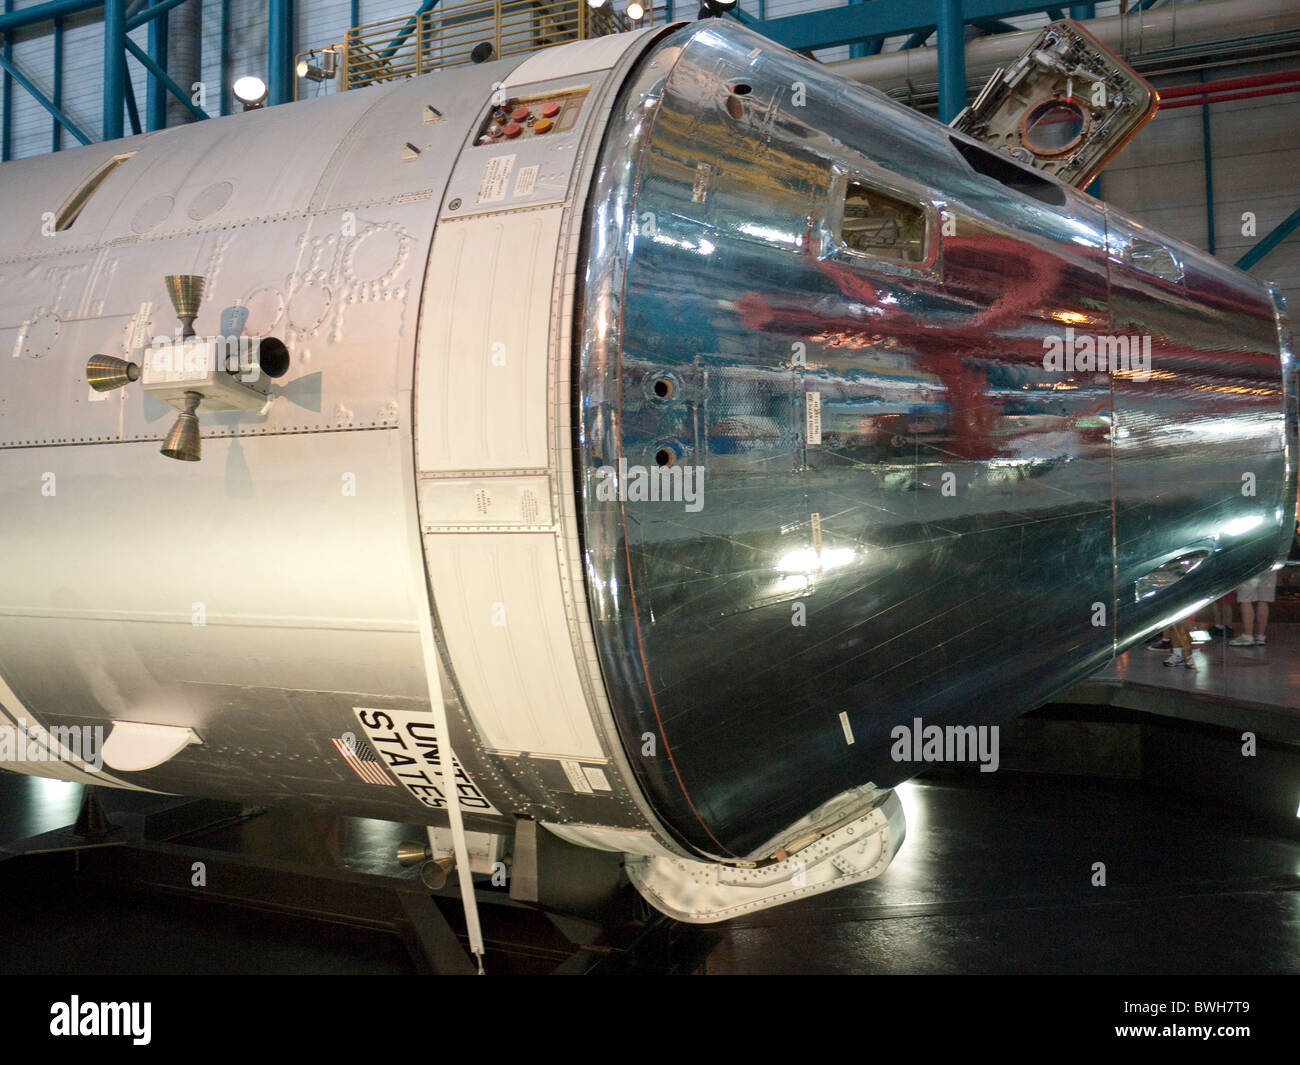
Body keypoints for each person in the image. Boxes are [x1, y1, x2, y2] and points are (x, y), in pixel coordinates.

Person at [1229, 568, 1277, 646]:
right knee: (1263, 599)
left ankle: (1248, 636)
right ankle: (1261, 636)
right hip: (1270, 561)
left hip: (1250, 562)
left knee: (1245, 599)